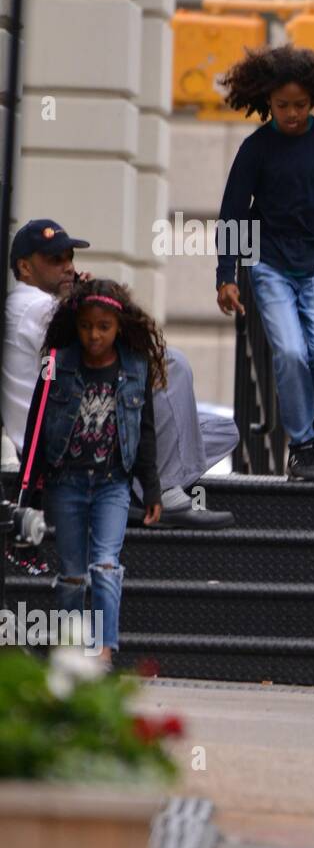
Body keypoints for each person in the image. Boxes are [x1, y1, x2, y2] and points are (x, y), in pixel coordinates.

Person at [4, 219, 237, 527]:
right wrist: (86, 301)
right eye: (54, 259)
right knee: (172, 366)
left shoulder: (39, 305)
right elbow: (110, 355)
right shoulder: (31, 305)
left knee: (223, 430)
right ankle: (163, 491)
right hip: (70, 438)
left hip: (91, 421)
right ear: (24, 267)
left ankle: (139, 485)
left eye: (69, 257)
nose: (67, 267)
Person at [214, 45, 314, 481]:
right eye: (283, 106)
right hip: (270, 266)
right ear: (268, 102)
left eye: (301, 105)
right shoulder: (256, 148)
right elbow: (231, 211)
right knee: (288, 352)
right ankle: (302, 445)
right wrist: (225, 275)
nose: (293, 114)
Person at [20, 279, 165, 660]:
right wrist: (30, 484)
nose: (94, 335)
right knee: (71, 573)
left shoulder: (135, 366)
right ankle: (70, 651)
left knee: (104, 565)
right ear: (75, 324)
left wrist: (151, 488)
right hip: (64, 482)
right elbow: (38, 419)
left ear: (119, 327)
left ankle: (102, 649)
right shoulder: (58, 361)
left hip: (112, 484)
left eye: (104, 327)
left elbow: (145, 429)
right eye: (86, 326)